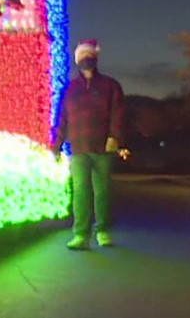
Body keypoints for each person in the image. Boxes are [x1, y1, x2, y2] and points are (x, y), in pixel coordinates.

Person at [52, 39, 125, 250]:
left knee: (103, 191)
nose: (86, 59)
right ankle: (81, 234)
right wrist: (55, 146)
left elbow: (118, 114)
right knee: (81, 192)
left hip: (103, 147)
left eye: (89, 56)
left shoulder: (111, 86)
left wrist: (115, 137)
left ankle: (103, 231)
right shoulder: (69, 89)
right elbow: (61, 119)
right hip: (78, 148)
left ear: (95, 58)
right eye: (82, 56)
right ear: (77, 60)